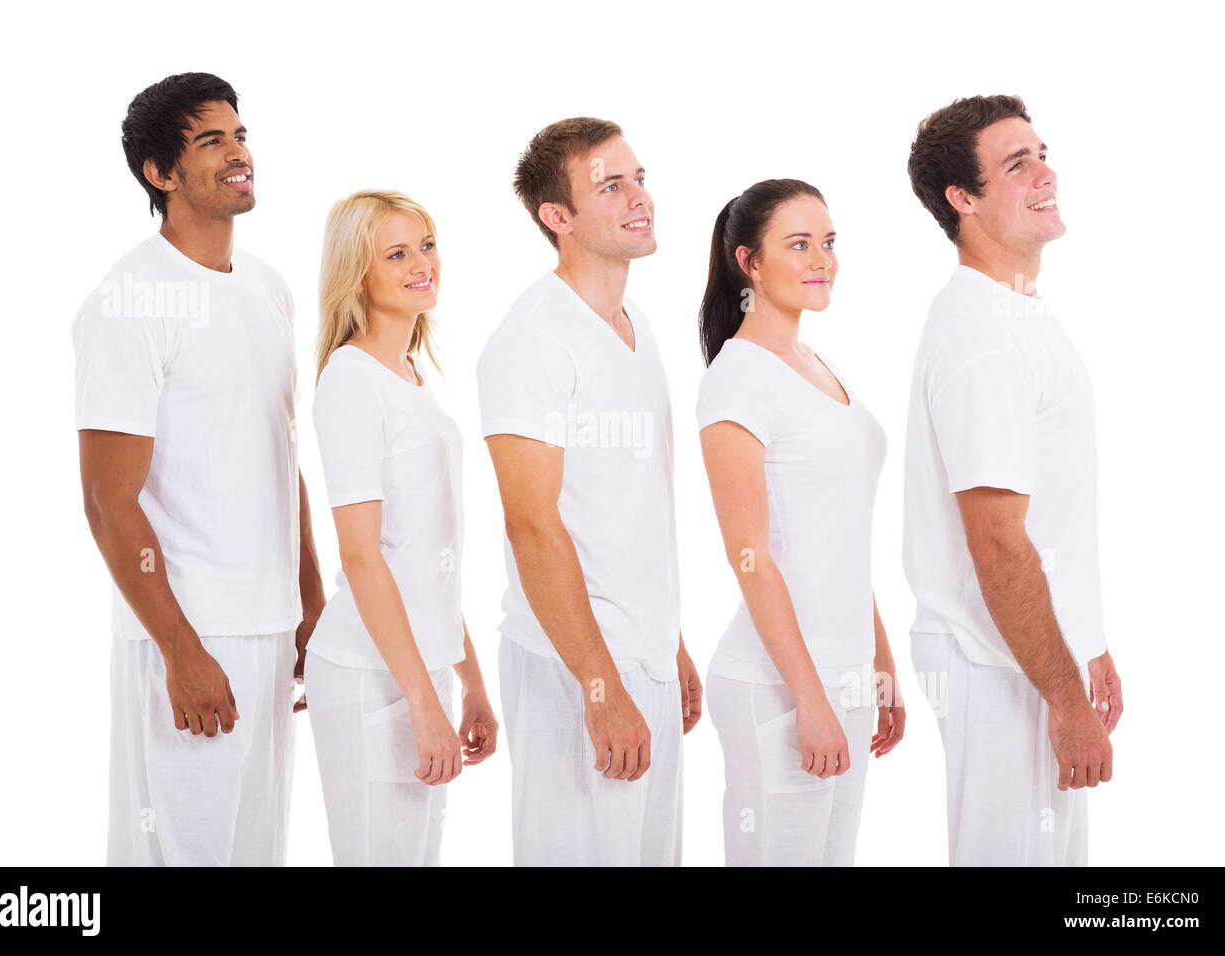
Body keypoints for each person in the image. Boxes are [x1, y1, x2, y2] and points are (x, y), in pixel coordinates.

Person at [72, 72, 326, 866]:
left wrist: (311, 603)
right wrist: (181, 650)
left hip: (269, 624)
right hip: (186, 635)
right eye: (210, 141)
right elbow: (108, 501)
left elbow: (282, 461)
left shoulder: (268, 290)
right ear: (160, 174)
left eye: (240, 134)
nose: (238, 152)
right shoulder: (128, 302)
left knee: (253, 855)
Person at [903, 94, 1124, 866]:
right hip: (994, 664)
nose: (1045, 173)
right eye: (1015, 163)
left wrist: (1086, 642)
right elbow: (996, 541)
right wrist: (1066, 699)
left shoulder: (1019, 315)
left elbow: (1051, 510)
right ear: (962, 200)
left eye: (1041, 153)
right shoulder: (982, 335)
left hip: (1031, 655)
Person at [476, 117, 701, 866]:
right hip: (574, 668)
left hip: (644, 659)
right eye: (611, 185)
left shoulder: (636, 325)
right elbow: (531, 525)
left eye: (639, 178)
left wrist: (668, 644)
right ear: (557, 217)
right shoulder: (533, 339)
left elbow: (630, 507)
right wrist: (601, 685)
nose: (639, 197)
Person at [696, 180, 905, 866]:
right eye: (798, 244)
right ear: (749, 263)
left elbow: (837, 542)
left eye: (829, 242)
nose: (822, 259)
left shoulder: (820, 365)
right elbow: (749, 554)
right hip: (777, 685)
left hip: (844, 673)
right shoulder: (737, 381)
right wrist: (810, 697)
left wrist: (880, 665)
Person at [304, 190, 497, 866]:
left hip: (420, 670)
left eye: (426, 245)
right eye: (396, 253)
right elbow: (363, 558)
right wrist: (423, 699)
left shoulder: (410, 377)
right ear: (358, 274)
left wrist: (468, 679)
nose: (422, 263)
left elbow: (426, 555)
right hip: (368, 674)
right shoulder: (352, 382)